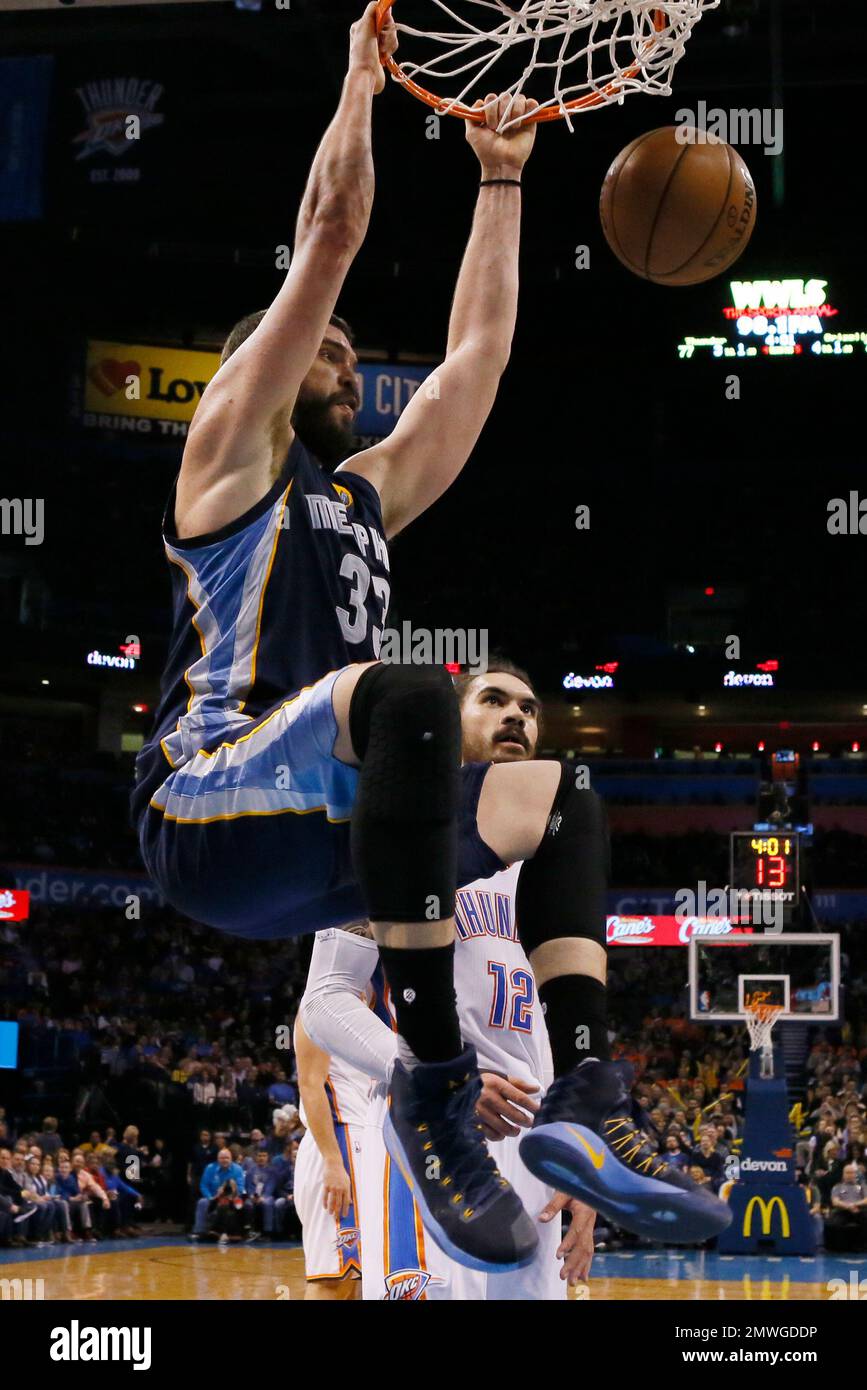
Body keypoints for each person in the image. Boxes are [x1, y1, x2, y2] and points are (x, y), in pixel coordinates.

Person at [129, 4, 729, 1270]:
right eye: (325, 347)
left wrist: (503, 177)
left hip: (332, 836)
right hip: (205, 807)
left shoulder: (364, 498)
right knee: (406, 692)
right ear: (261, 370)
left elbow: (478, 359)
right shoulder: (231, 460)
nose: (344, 356)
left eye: (348, 347)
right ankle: (438, 1091)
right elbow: (331, 236)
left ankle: (584, 1085)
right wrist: (359, 87)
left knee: (550, 792)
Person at [300, 662, 597, 1300]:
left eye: (529, 707)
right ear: (451, 720)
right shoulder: (394, 834)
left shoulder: (550, 859)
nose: (516, 715)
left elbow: (554, 1029)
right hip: (437, 1129)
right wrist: (439, 1081)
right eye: (493, 700)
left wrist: (580, 1154)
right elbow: (324, 1003)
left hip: (531, 1140)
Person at [293, 1013, 363, 1299]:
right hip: (339, 1145)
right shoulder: (322, 1005)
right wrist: (334, 1162)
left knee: (359, 1278)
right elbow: (310, 1084)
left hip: (361, 1147)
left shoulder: (376, 1008)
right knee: (334, 1278)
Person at [191, 1147, 247, 1240]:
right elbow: (203, 1185)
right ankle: (199, 1231)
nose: (224, 1160)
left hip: (231, 1198)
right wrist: (210, 1197)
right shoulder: (210, 1168)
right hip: (213, 1197)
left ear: (231, 1159)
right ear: (217, 1159)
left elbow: (240, 1187)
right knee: (202, 1202)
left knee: (237, 1204)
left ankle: (239, 1232)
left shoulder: (238, 1169)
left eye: (226, 1158)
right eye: (222, 1158)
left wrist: (231, 1197)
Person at [825, 1161, 867, 1253]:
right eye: (847, 1173)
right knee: (833, 1223)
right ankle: (838, 1248)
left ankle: (861, 1246)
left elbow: (866, 1200)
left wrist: (855, 1204)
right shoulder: (837, 1187)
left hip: (859, 1209)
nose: (849, 1175)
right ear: (843, 1174)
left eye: (852, 1173)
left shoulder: (862, 1186)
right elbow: (835, 1201)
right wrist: (848, 1206)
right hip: (842, 1210)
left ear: (855, 1174)